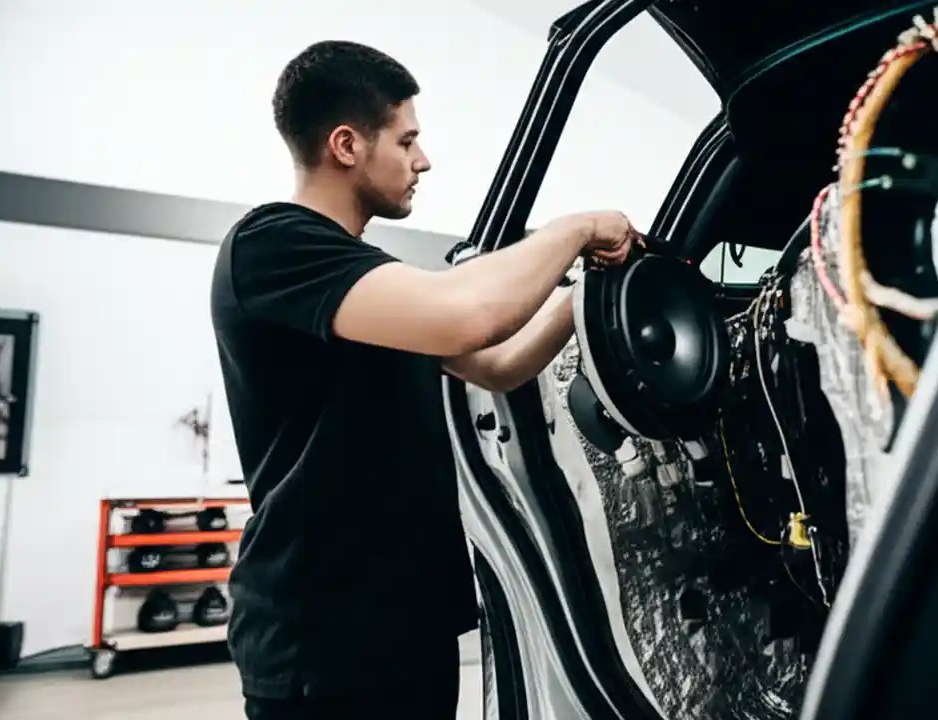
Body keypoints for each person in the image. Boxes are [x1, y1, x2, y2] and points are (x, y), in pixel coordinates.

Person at [209, 40, 642, 719]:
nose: (423, 159)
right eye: (407, 140)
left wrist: (588, 294)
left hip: (405, 630)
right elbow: (470, 316)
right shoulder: (272, 245)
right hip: (322, 645)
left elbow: (500, 363)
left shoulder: (369, 279)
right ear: (347, 144)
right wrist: (578, 228)